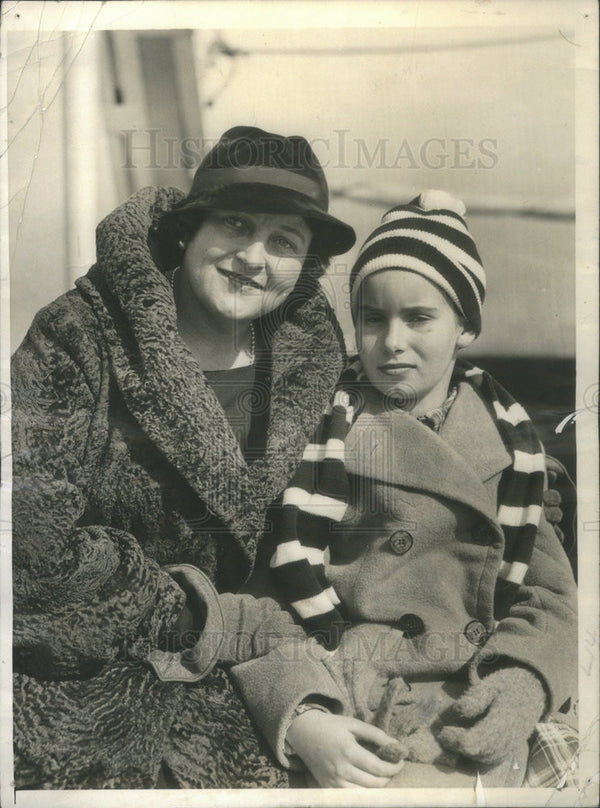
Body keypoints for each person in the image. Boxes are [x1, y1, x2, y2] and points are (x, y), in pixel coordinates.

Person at [11, 125, 365, 789]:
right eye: (236, 224)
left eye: (284, 240)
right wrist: (181, 610)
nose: (255, 257)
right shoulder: (79, 337)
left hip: (236, 699)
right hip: (63, 698)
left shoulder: (313, 380)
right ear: (189, 231)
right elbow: (22, 553)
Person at [230, 191, 579, 788]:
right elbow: (266, 602)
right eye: (372, 318)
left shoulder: (513, 452)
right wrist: (308, 715)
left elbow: (550, 600)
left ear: (465, 325)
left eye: (418, 318)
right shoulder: (320, 442)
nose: (391, 341)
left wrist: (523, 682)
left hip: (479, 687)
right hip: (357, 694)